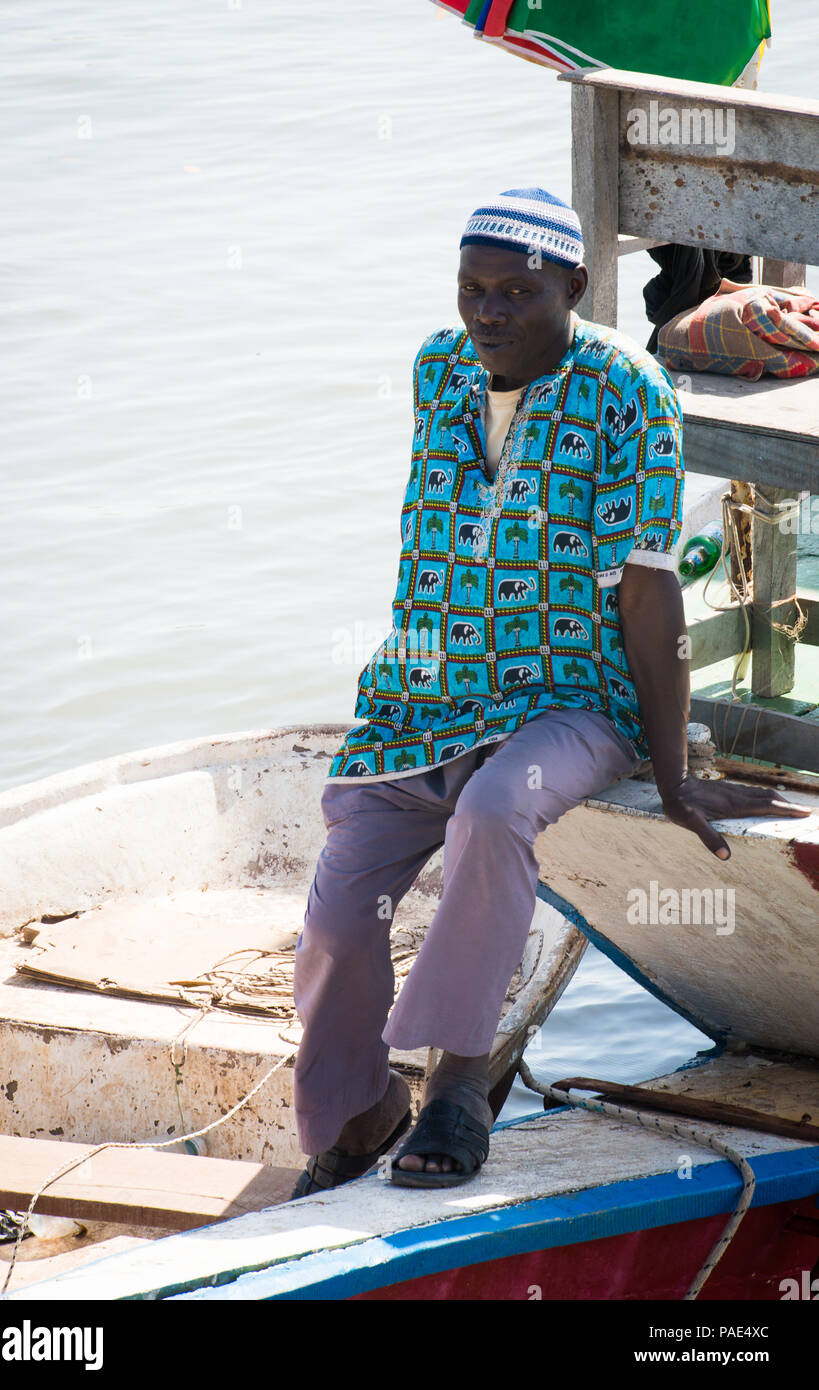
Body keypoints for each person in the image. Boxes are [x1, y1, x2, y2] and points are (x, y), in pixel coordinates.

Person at [291, 188, 810, 1194]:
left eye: (518, 293)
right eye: (473, 290)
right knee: (339, 901)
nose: (489, 313)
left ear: (573, 287)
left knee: (493, 810)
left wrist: (675, 775)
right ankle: (360, 1108)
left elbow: (652, 589)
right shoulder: (436, 369)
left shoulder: (628, 387)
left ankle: (457, 1076)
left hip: (571, 700)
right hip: (428, 698)